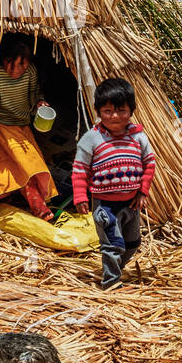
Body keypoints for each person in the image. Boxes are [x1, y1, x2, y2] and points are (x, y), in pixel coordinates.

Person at [72, 77, 156, 291]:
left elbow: (150, 162)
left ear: (131, 110)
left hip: (131, 203)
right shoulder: (92, 138)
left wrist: (143, 191)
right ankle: (111, 282)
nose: (115, 116)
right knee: (112, 245)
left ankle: (115, 269)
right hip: (105, 205)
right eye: (108, 111)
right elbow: (80, 169)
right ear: (98, 111)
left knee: (133, 243)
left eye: (121, 110)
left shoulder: (138, 137)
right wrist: (81, 196)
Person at [0, 34, 58, 222]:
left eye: (22, 65)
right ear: (1, 57)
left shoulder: (31, 73)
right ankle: (37, 206)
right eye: (10, 62)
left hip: (21, 127)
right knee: (14, 169)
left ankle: (18, 200)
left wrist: (40, 103)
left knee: (30, 166)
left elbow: (34, 95)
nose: (15, 69)